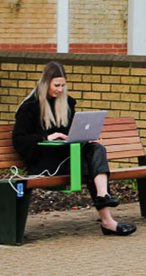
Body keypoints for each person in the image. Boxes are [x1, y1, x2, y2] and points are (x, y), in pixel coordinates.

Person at [12, 61, 136, 236]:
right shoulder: (29, 107)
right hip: (46, 163)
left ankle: (103, 195)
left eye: (63, 85)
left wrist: (84, 138)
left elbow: (71, 133)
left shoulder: (67, 103)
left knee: (96, 149)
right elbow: (19, 139)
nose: (60, 90)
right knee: (91, 167)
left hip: (67, 157)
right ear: (45, 83)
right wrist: (46, 137)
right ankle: (108, 221)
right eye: (57, 85)